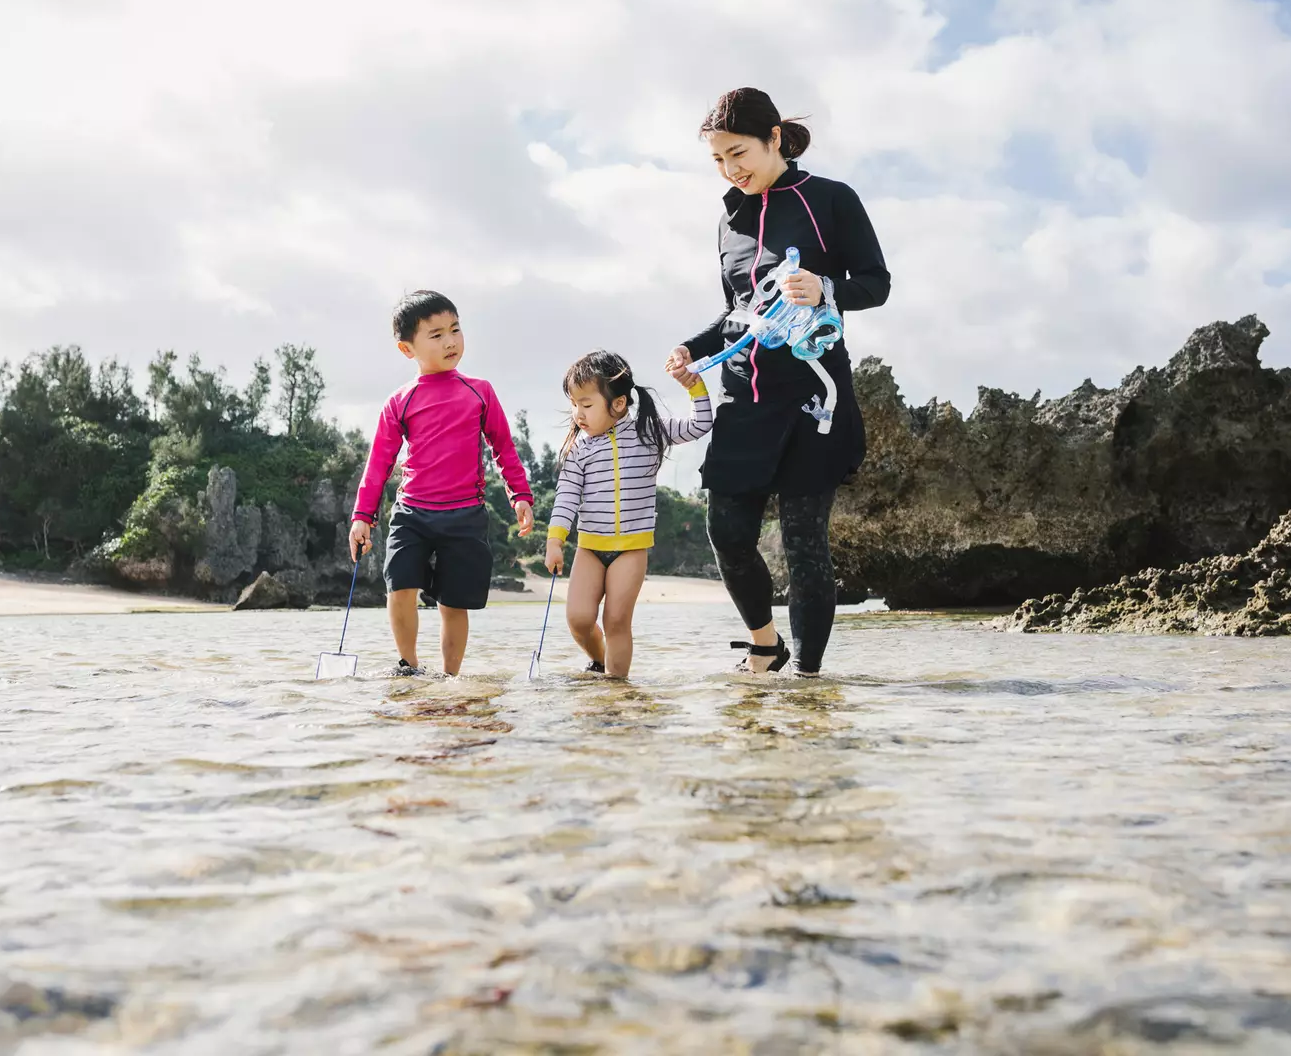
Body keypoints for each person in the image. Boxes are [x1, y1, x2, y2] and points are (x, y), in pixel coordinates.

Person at [664, 88, 891, 677]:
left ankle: (809, 683)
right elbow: (738, 312)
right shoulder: (728, 220)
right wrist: (695, 347)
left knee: (803, 541)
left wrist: (827, 288)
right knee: (727, 532)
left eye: (738, 153)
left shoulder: (830, 200)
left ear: (773, 140)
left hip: (816, 400)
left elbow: (876, 282)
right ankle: (766, 643)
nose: (730, 169)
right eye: (717, 160)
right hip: (746, 400)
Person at [350, 290, 534, 676]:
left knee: (453, 604)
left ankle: (450, 678)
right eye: (436, 335)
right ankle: (410, 666)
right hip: (412, 514)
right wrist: (362, 517)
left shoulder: (479, 391)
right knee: (399, 588)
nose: (451, 341)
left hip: (464, 516)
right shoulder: (399, 401)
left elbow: (503, 445)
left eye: (455, 329)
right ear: (407, 348)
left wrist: (520, 494)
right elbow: (379, 463)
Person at [544, 351, 714, 678]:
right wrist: (555, 540)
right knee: (579, 618)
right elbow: (566, 496)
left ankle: (616, 688)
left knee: (616, 620)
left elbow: (700, 424)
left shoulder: (648, 432)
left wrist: (695, 387)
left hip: (631, 550)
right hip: (590, 548)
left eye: (587, 404)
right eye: (574, 404)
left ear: (619, 403)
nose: (578, 413)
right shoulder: (579, 449)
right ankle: (599, 659)